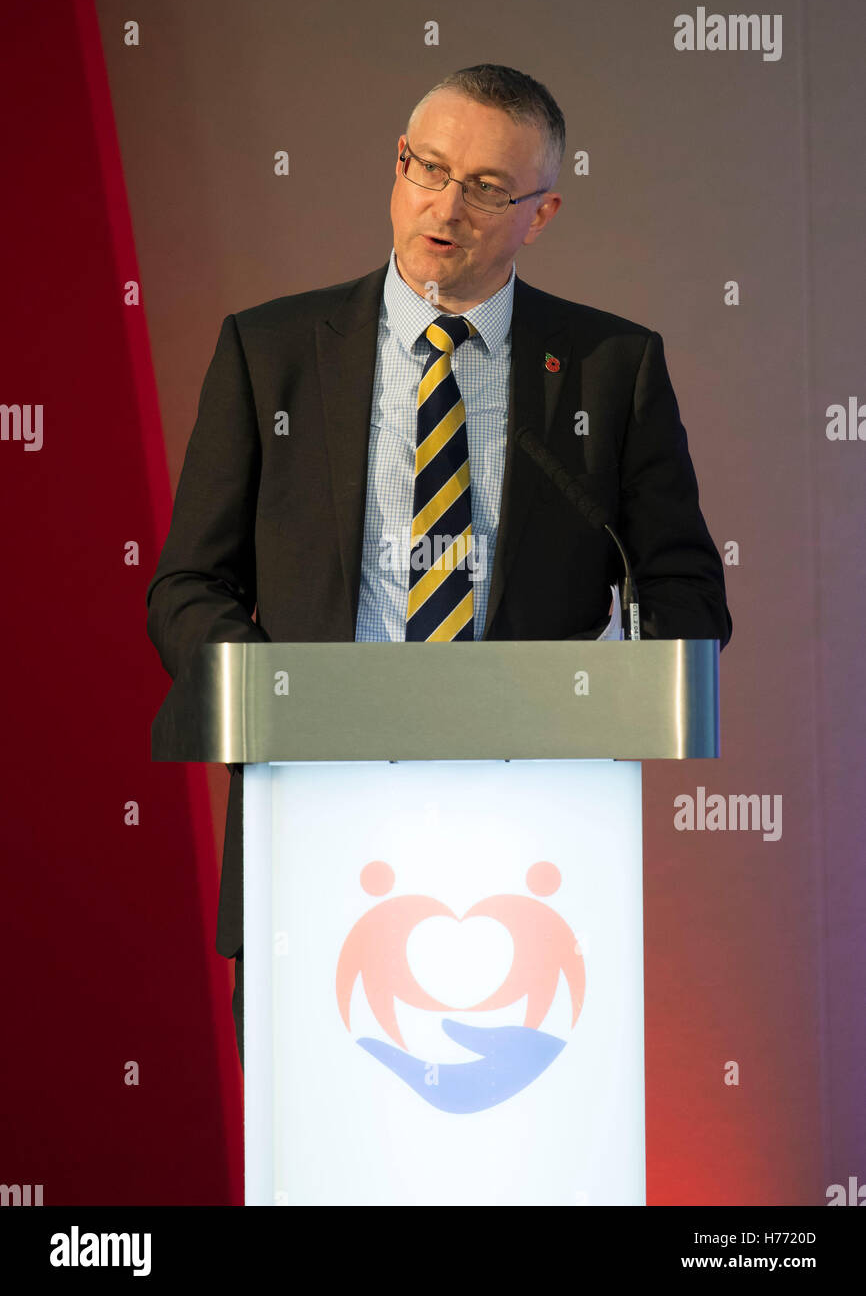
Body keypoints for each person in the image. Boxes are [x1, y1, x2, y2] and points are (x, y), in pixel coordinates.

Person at [146, 63, 731, 1066]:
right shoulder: (272, 352)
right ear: (396, 167)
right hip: (311, 824)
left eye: (486, 188)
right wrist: (285, 695)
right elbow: (187, 588)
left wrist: (597, 684)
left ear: (538, 214)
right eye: (426, 167)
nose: (443, 205)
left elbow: (682, 589)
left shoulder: (608, 368)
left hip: (530, 850)